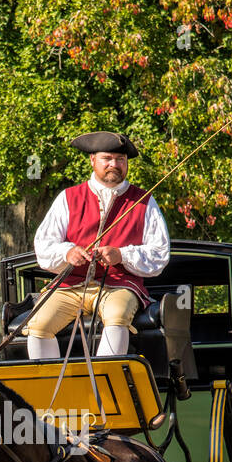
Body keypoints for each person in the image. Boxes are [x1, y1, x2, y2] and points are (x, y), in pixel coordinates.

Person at [28, 131, 171, 359]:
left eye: (120, 160)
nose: (114, 165)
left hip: (119, 286)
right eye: (107, 158)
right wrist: (67, 252)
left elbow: (159, 254)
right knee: (38, 324)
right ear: (93, 160)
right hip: (72, 285)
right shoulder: (68, 197)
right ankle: (52, 388)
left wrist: (122, 255)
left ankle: (104, 387)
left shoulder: (144, 201)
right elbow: (44, 245)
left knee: (117, 316)